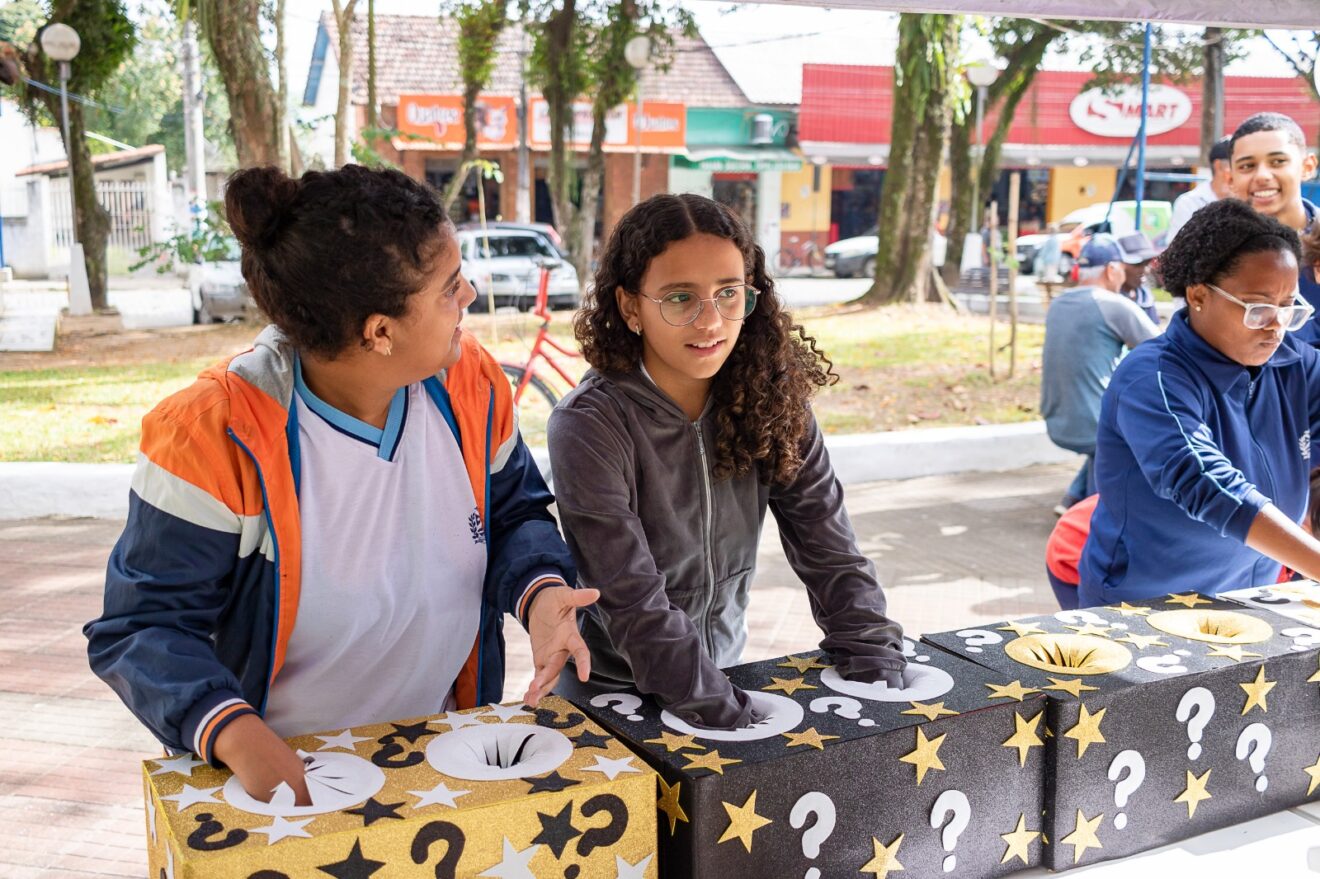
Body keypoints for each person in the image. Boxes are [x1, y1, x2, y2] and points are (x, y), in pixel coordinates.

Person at [84, 165, 596, 805]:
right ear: (380, 332)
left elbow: (513, 514)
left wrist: (542, 593)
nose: (469, 293)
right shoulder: (211, 435)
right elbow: (143, 628)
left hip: (437, 760)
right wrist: (236, 735)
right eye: (449, 287)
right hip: (280, 783)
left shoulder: (472, 384)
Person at [547, 193, 905, 730]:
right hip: (611, 699)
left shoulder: (772, 400)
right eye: (680, 298)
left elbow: (830, 550)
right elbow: (633, 603)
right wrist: (731, 718)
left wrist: (877, 666)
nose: (711, 321)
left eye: (728, 293)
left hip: (723, 677)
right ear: (630, 307)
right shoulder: (590, 424)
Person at [1079, 198, 1320, 606]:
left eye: (1287, 308)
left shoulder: (1295, 364)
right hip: (1144, 607)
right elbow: (1205, 482)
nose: (1276, 327)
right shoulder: (1153, 378)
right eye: (1258, 309)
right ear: (1199, 295)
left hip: (1248, 596)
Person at [1041, 234, 1159, 513]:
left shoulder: (1058, 303)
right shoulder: (1113, 304)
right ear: (1112, 270)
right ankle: (1097, 514)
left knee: (1105, 429)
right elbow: (1164, 353)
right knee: (1135, 436)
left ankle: (1073, 497)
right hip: (1093, 426)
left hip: (1057, 419)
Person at [1230, 112, 1320, 343]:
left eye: (1278, 162)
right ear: (1231, 179)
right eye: (1247, 166)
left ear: (1307, 166)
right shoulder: (1215, 251)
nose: (1262, 176)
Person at [1167, 135, 1234, 241]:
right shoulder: (1189, 203)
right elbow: (1177, 245)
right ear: (1219, 166)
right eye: (1241, 165)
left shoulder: (1248, 201)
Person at [1113, 231, 1161, 324]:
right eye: (1137, 264)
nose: (1145, 270)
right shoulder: (1109, 300)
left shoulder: (1145, 297)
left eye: (1147, 263)